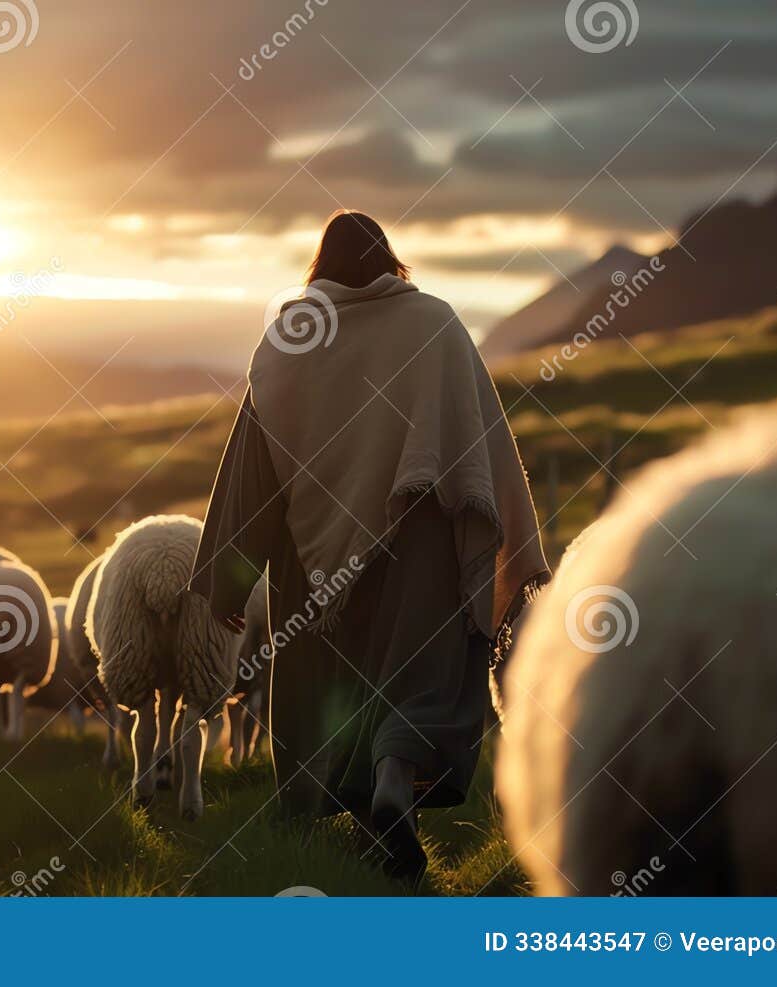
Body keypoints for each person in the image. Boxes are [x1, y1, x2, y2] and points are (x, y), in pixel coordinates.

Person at [189, 210, 548, 880]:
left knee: (333, 688)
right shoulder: (436, 324)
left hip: (313, 561)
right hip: (421, 545)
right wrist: (505, 549)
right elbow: (482, 440)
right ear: (391, 260)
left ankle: (363, 814)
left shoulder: (291, 338)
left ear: (320, 265)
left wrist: (232, 579)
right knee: (419, 675)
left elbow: (252, 469)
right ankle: (394, 776)